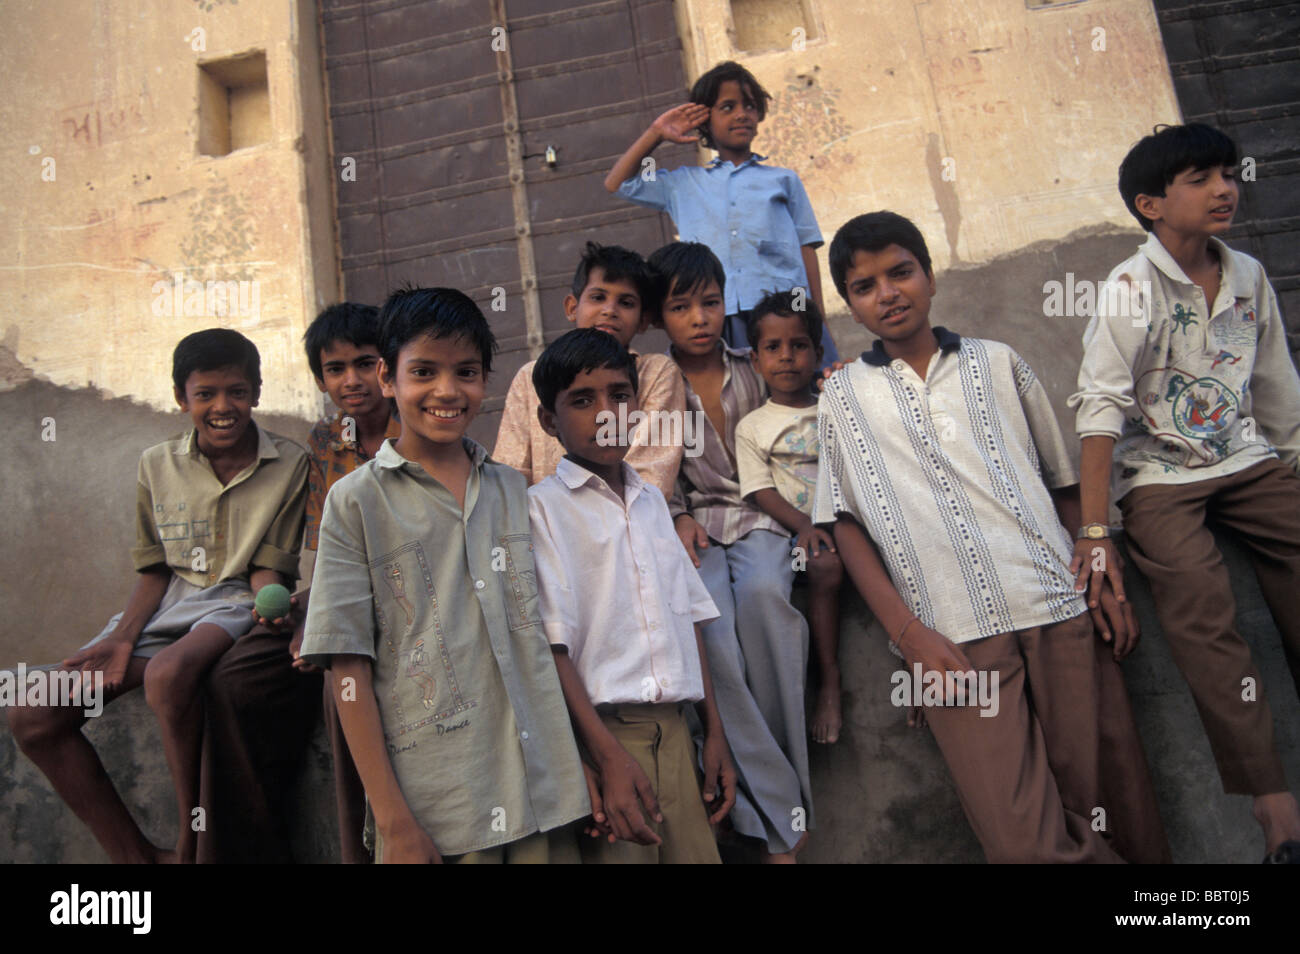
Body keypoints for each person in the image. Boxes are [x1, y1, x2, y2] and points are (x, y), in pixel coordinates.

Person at [818, 211, 1169, 863]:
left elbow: (1063, 483)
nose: (887, 293)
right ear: (850, 305)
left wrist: (1100, 568)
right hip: (952, 641)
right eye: (864, 286)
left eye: (900, 272)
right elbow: (846, 526)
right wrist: (909, 635)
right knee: (1022, 844)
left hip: (1059, 606)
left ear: (929, 275)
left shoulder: (999, 363)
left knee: (1114, 810)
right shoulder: (843, 400)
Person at [1069, 123, 1300, 863]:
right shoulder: (1130, 289)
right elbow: (1100, 407)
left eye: (1228, 174)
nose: (1225, 188)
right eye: (1200, 178)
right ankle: (1272, 802)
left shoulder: (1250, 277)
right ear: (1151, 203)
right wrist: (1097, 532)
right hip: (1160, 473)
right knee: (1199, 602)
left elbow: (1274, 384)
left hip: (1244, 457)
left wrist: (1292, 464)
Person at [299, 286, 590, 863]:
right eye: (424, 371)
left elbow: (544, 636)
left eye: (467, 372)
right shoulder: (355, 502)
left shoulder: (513, 491)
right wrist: (391, 820)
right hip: (440, 811)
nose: (447, 391)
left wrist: (585, 756)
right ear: (388, 377)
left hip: (545, 796)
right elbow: (347, 665)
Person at [6, 329, 309, 863]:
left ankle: (193, 848)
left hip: (233, 604)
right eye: (206, 393)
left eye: (237, 391)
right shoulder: (156, 464)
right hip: (167, 609)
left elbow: (267, 568)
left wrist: (276, 611)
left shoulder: (291, 462)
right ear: (181, 398)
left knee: (170, 675)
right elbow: (153, 572)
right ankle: (135, 858)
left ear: (257, 393)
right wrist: (123, 638)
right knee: (31, 710)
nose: (223, 407)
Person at [196, 302, 399, 863]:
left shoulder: (417, 425)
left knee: (342, 686)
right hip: (338, 587)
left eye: (365, 363)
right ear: (320, 379)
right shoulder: (328, 437)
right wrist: (302, 617)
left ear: (389, 365)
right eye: (335, 370)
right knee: (234, 677)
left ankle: (367, 849)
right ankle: (255, 849)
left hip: (406, 591)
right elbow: (329, 552)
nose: (351, 381)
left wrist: (324, 630)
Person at [526, 328, 735, 862]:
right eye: (581, 400)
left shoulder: (651, 503)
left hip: (677, 731)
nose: (605, 413)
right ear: (549, 421)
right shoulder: (541, 511)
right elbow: (552, 648)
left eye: (619, 395)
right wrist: (602, 755)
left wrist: (714, 733)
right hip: (608, 740)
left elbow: (688, 620)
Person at [653, 240, 813, 863]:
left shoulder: (756, 363)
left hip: (766, 517)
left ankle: (777, 808)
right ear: (658, 319)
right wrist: (676, 515)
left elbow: (803, 427)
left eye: (711, 303)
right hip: (699, 524)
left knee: (770, 603)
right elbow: (648, 473)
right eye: (681, 307)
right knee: (713, 635)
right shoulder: (653, 386)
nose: (699, 318)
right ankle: (781, 815)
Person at [605, 60, 838, 365]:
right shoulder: (681, 184)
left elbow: (806, 248)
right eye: (727, 107)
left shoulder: (783, 180)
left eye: (750, 106)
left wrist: (816, 317)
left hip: (787, 314)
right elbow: (620, 182)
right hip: (723, 316)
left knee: (804, 396)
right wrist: (656, 135)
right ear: (704, 120)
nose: (742, 114)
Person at [735, 290, 845, 744]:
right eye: (773, 348)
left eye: (799, 346)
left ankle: (916, 671)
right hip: (797, 537)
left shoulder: (838, 406)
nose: (787, 357)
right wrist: (805, 526)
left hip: (853, 525)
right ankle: (830, 683)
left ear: (818, 354)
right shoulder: (753, 425)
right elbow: (758, 489)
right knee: (822, 566)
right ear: (755, 361)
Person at [494, 242, 686, 497]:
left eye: (626, 303)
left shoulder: (655, 373)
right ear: (572, 308)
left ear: (643, 321)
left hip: (632, 523)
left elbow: (651, 476)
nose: (610, 310)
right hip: (546, 527)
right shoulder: (530, 378)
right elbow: (510, 475)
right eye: (598, 297)